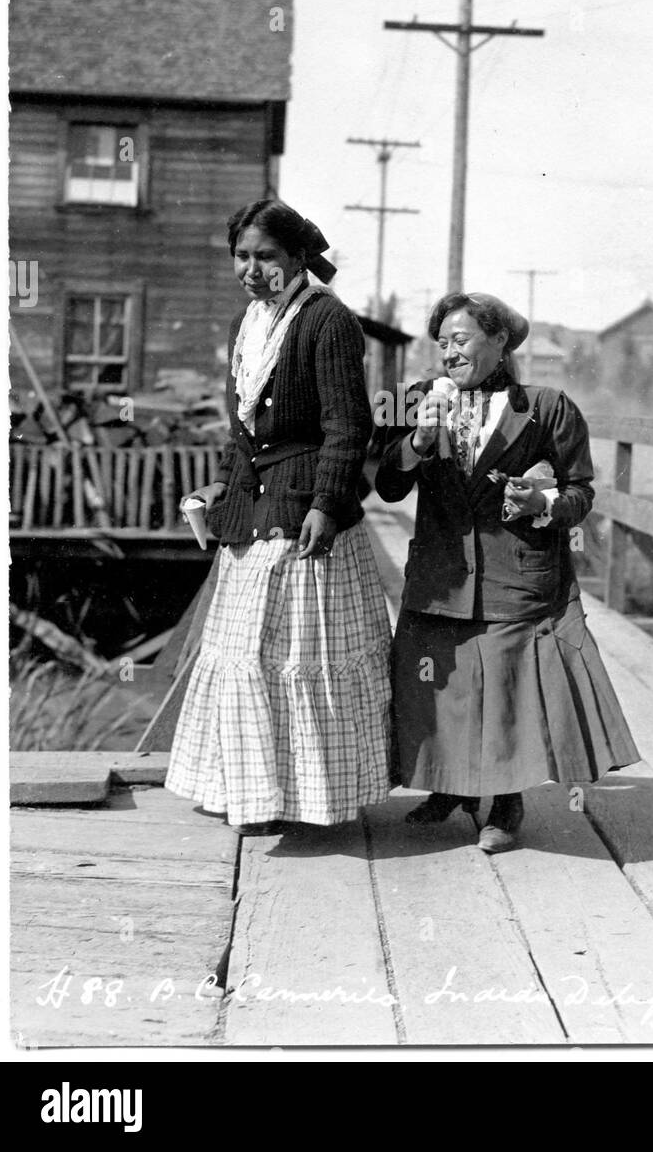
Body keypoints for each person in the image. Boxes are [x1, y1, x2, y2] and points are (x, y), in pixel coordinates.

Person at [374, 292, 639, 853]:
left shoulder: (546, 407)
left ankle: (506, 803)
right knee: (440, 685)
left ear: (499, 342)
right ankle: (449, 790)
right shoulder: (419, 401)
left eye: (462, 339)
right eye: (442, 342)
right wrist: (418, 440)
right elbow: (388, 485)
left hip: (514, 572)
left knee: (504, 688)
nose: (449, 352)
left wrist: (543, 506)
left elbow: (581, 491)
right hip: (442, 570)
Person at [165, 200, 391, 835]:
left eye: (266, 256)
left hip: (305, 511)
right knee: (241, 653)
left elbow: (348, 425)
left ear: (296, 258)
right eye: (242, 256)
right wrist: (222, 488)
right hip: (252, 508)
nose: (251, 269)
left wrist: (325, 502)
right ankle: (249, 793)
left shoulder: (327, 320)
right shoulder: (249, 323)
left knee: (295, 655)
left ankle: (302, 799)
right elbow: (242, 433)